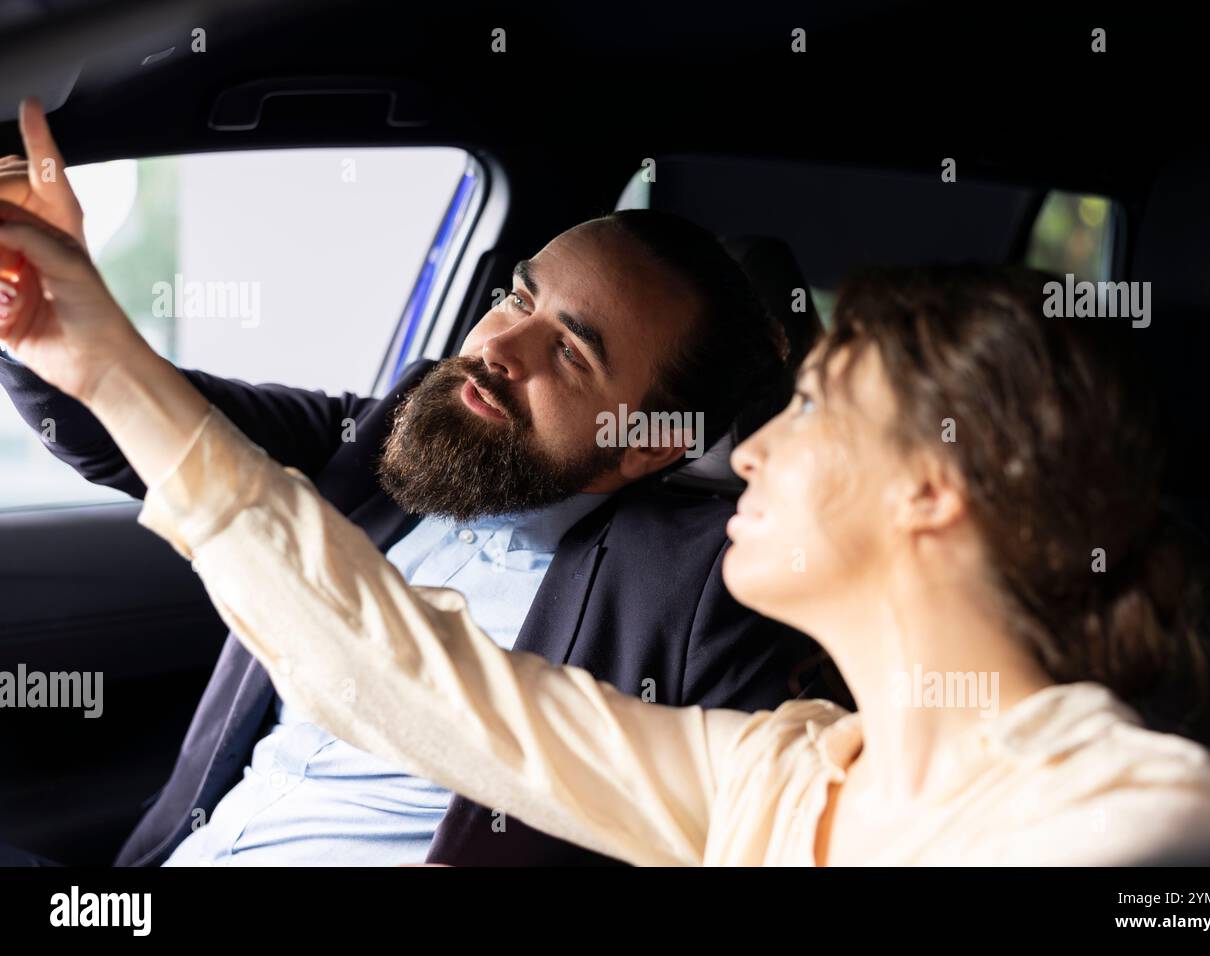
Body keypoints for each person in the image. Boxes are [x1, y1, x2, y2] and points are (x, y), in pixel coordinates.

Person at [0, 99, 826, 867]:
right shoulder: (404, 432)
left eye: (571, 353)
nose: (502, 347)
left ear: (648, 444)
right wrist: (35, 301)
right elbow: (119, 429)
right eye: (517, 298)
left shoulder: (698, 591)